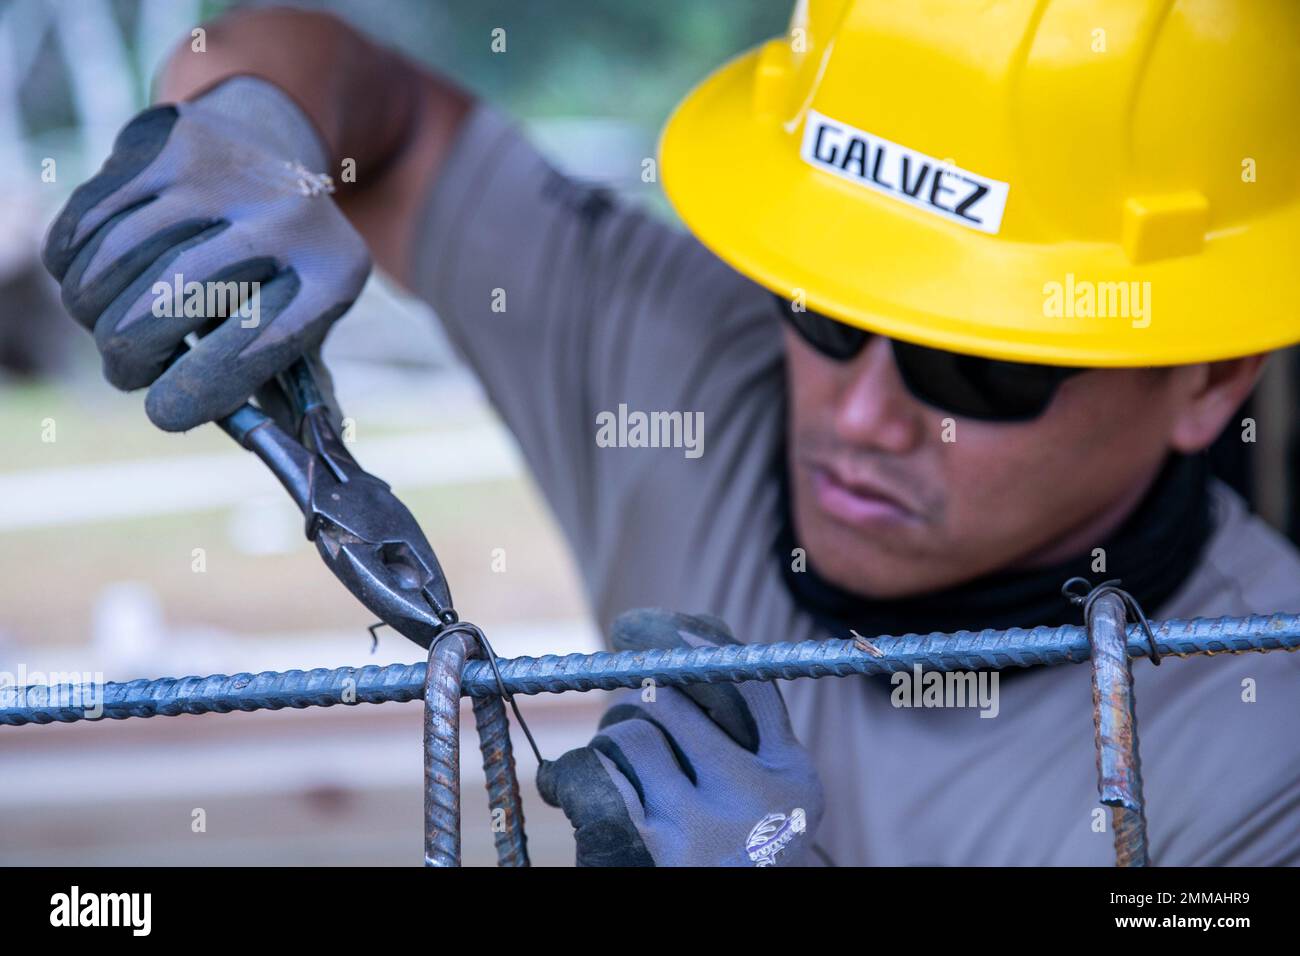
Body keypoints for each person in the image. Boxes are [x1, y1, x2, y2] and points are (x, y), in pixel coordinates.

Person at [42, 1, 1300, 865]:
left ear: (1208, 378)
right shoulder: (684, 371)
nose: (858, 411)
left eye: (979, 366)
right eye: (819, 308)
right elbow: (391, 117)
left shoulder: (1268, 747)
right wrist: (253, 129)